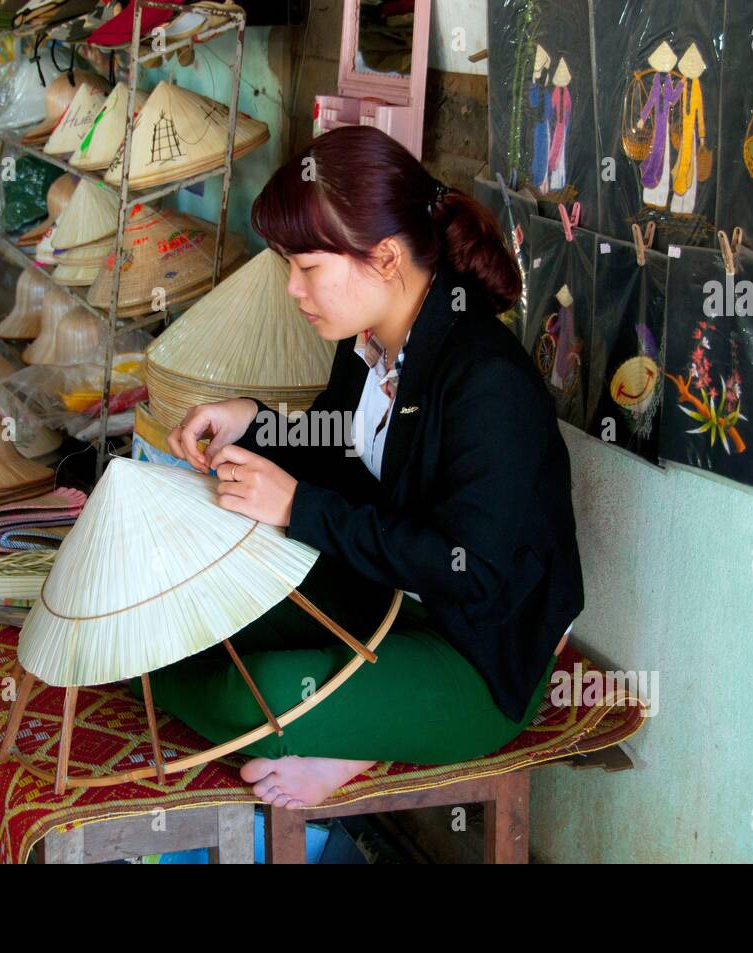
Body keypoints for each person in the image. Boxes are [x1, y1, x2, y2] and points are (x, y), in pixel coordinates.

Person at [139, 125, 584, 809]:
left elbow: (473, 568)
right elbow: (340, 454)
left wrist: (297, 508)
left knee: (245, 691)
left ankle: (360, 737)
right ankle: (332, 709)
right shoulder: (371, 343)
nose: (293, 288)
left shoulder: (487, 380)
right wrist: (251, 422)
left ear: (383, 258)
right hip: (385, 602)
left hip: (479, 654)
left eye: (307, 267)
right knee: (187, 618)